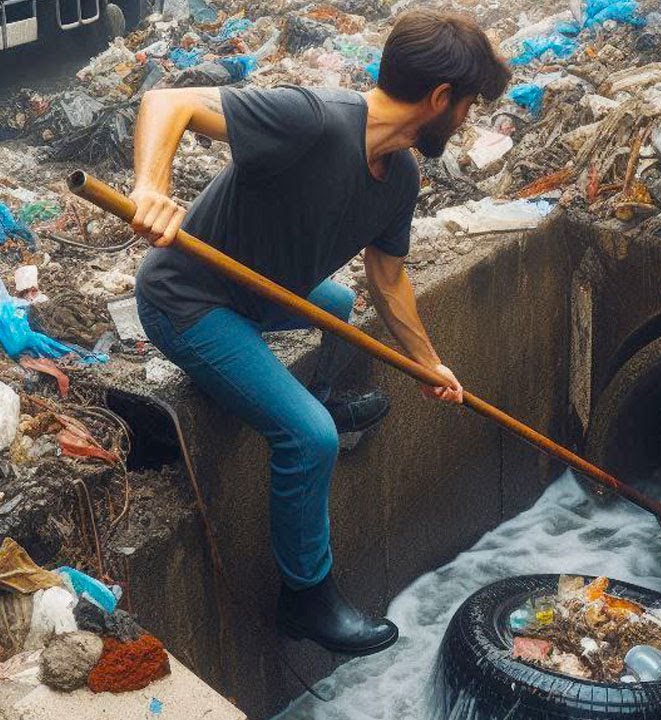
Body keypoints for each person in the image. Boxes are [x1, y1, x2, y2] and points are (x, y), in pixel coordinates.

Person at [128, 9, 511, 656]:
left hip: (259, 287)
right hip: (187, 299)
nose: (466, 120)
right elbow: (169, 102)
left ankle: (324, 398)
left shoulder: (400, 176)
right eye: (469, 105)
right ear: (440, 97)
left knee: (337, 302)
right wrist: (150, 189)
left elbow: (388, 281)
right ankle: (306, 599)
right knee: (308, 437)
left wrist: (430, 363)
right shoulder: (314, 119)